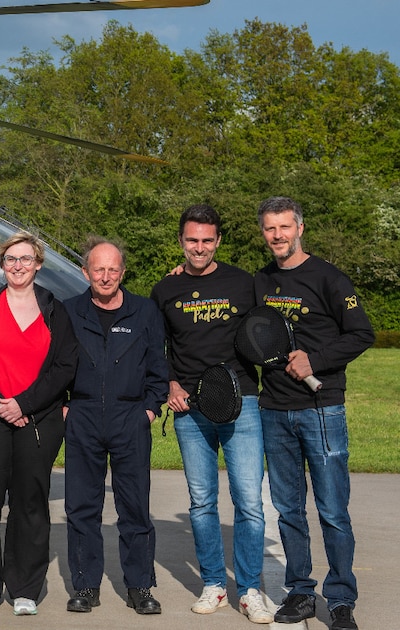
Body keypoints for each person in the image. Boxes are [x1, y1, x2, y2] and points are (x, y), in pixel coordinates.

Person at [254, 196, 374, 630]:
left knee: (332, 511)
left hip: (322, 410)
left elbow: (362, 333)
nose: (278, 235)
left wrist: (316, 359)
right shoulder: (260, 280)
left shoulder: (329, 278)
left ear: (300, 228)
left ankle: (340, 599)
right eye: (270, 228)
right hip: (274, 411)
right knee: (288, 509)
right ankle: (301, 593)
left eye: (285, 227)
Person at [149, 205, 272, 623]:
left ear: (218, 241)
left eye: (206, 240)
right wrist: (169, 385)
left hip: (243, 404)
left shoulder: (243, 282)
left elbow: (265, 333)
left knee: (250, 502)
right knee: (202, 502)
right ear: (181, 241)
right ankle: (215, 585)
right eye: (191, 240)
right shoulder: (165, 290)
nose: (198, 247)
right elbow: (154, 348)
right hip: (190, 408)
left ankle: (251, 589)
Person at [0, 231, 78, 616]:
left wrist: (24, 404)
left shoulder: (55, 310)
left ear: (38, 264)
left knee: (30, 503)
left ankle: (25, 588)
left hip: (38, 419)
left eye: (26, 259)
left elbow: (64, 367)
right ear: (2, 264)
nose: (18, 266)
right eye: (11, 259)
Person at [63, 237, 168, 615]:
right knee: (82, 508)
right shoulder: (69, 311)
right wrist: (64, 406)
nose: (105, 276)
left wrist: (150, 410)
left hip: (130, 418)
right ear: (85, 272)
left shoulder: (144, 312)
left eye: (112, 269)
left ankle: (140, 586)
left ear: (122, 272)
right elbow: (56, 365)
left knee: (135, 508)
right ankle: (86, 586)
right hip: (84, 417)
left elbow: (159, 366)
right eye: (98, 269)